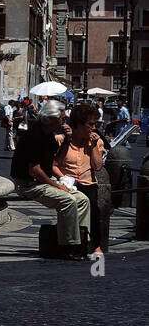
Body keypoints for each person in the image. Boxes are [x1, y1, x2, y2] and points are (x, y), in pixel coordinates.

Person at [11, 99, 91, 260]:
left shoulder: (49, 136)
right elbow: (34, 171)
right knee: (67, 201)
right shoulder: (34, 136)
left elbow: (55, 161)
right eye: (61, 118)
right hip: (29, 184)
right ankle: (68, 245)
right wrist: (56, 185)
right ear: (51, 118)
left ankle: (81, 241)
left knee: (82, 200)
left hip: (43, 181)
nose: (64, 120)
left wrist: (67, 140)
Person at [56, 102, 107, 256]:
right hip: (67, 183)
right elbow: (54, 164)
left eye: (95, 124)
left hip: (88, 182)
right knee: (71, 209)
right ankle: (70, 244)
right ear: (78, 124)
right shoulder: (62, 140)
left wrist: (92, 147)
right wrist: (63, 178)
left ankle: (95, 245)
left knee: (93, 210)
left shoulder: (96, 142)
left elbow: (97, 167)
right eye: (90, 124)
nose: (93, 128)